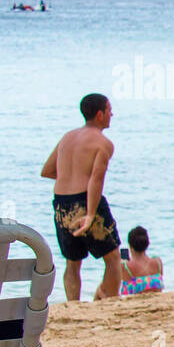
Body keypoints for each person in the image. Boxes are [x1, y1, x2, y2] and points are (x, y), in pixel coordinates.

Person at [40, 93, 123, 301]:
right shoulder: (103, 143)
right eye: (109, 109)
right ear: (99, 114)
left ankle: (73, 305)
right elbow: (96, 180)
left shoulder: (68, 137)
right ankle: (111, 301)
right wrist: (91, 213)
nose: (112, 113)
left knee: (73, 261)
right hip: (85, 202)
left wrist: (71, 177)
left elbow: (47, 171)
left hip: (61, 203)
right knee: (113, 258)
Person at [120, 226, 164, 296]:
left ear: (130, 246)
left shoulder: (125, 266)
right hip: (156, 299)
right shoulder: (158, 262)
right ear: (147, 244)